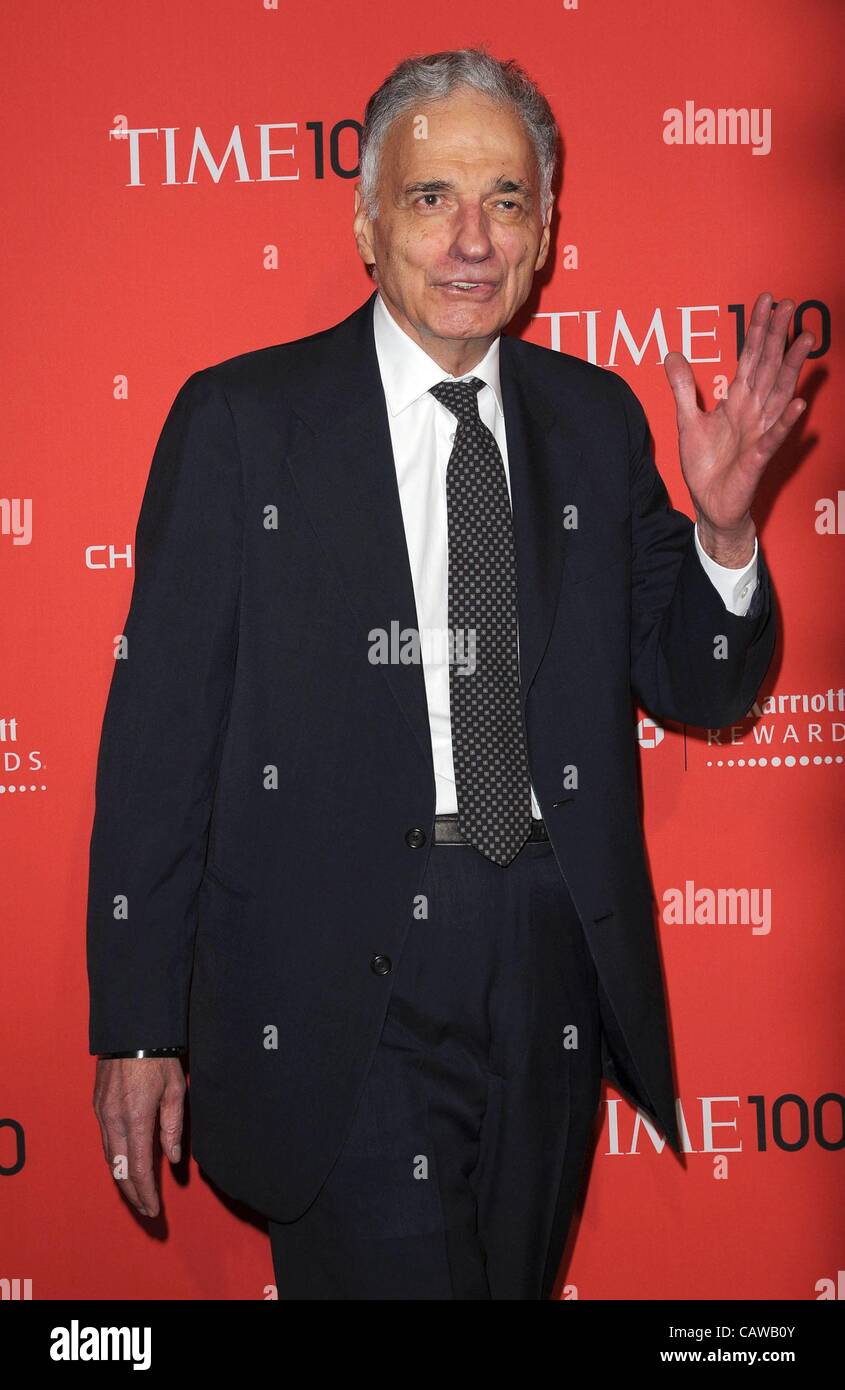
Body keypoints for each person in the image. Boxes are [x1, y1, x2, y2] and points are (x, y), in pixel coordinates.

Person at [87, 47, 813, 1300]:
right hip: (336, 972)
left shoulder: (593, 422)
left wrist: (726, 533)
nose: (471, 239)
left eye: (507, 200)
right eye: (431, 199)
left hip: (545, 950)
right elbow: (157, 748)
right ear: (366, 221)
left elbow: (697, 684)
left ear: (544, 236)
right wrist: (139, 1022)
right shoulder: (242, 423)